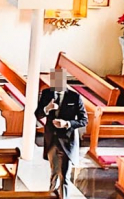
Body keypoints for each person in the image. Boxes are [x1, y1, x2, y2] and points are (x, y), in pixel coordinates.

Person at [35, 68, 88, 198]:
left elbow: (83, 120)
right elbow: (38, 114)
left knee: (64, 175)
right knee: (53, 173)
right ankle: (50, 195)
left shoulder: (74, 97)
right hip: (51, 139)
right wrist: (47, 108)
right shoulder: (47, 93)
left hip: (67, 141)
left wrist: (67, 123)